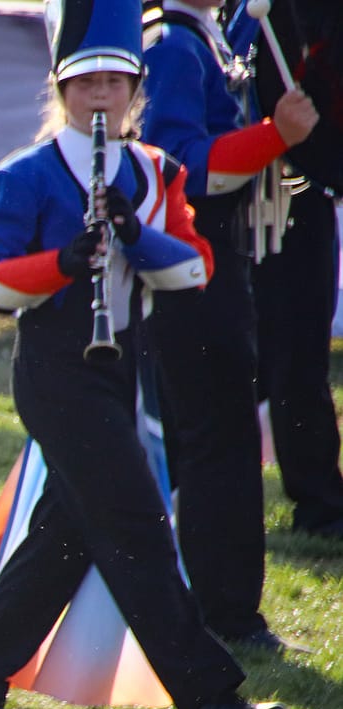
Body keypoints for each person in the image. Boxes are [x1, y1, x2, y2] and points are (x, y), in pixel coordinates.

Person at [0, 0, 287, 709]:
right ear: (62, 91)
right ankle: (208, 693)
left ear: (135, 92)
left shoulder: (155, 170)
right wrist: (64, 263)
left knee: (68, 533)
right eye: (86, 83)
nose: (101, 97)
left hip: (123, 360)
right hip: (56, 366)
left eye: (114, 83)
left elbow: (192, 269)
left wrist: (138, 234)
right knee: (137, 522)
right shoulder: (24, 175)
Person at [141, 0, 318, 651]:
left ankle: (222, 607)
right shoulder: (174, 48)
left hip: (218, 255)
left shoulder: (206, 37)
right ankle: (227, 615)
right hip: (195, 259)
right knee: (221, 438)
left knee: (218, 434)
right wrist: (277, 136)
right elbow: (181, 169)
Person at [245, 0, 343, 542]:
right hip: (242, 196)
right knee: (273, 359)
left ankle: (319, 500)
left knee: (299, 357)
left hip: (302, 192)